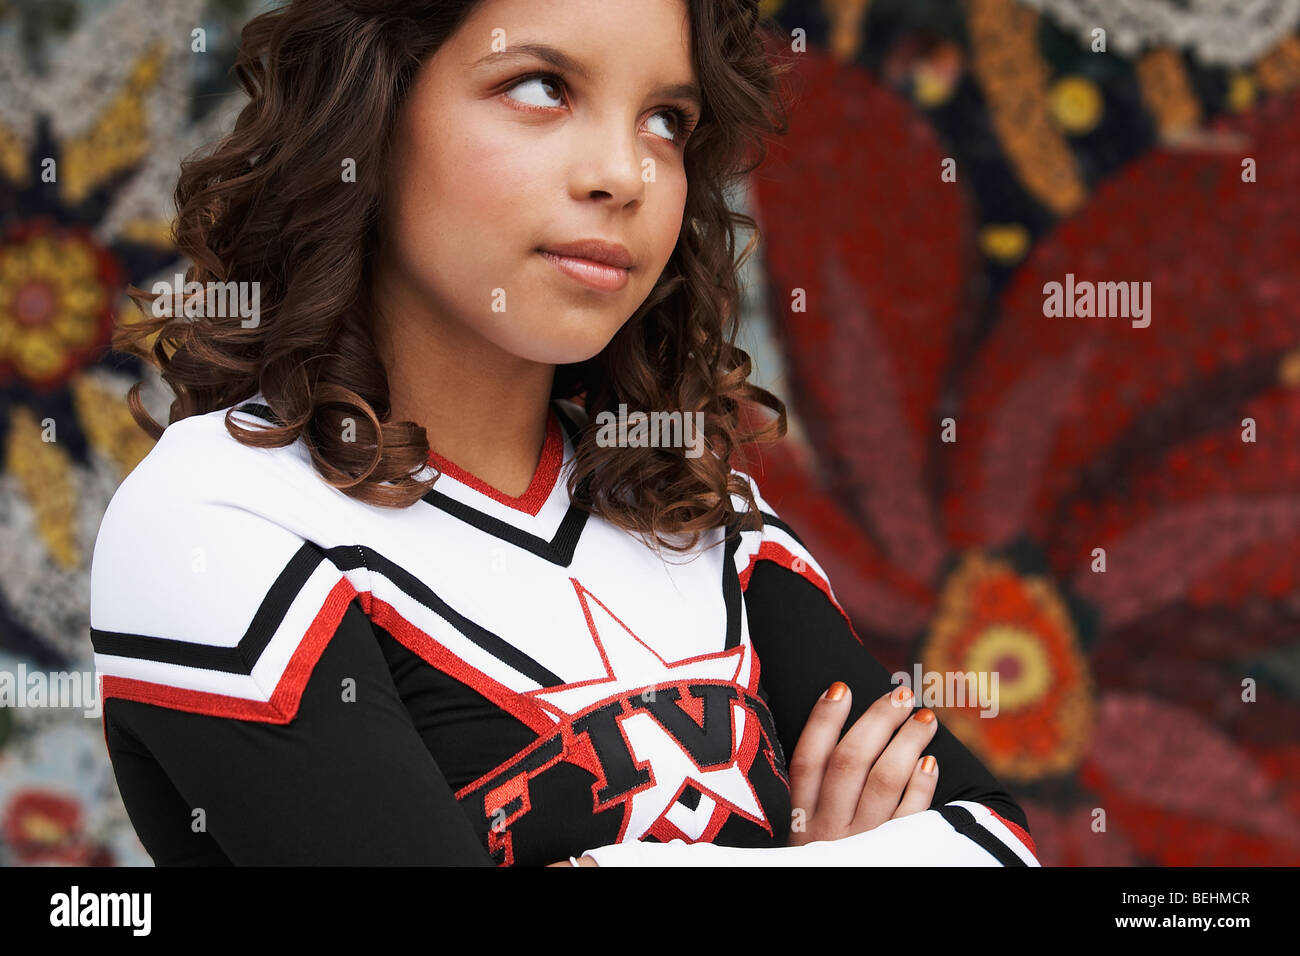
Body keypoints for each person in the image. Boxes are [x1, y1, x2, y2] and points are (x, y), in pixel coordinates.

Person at [91, 0, 1037, 867]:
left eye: (667, 120)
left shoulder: (700, 512)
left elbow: (996, 845)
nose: (623, 175)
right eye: (541, 88)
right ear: (368, 119)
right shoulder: (214, 518)